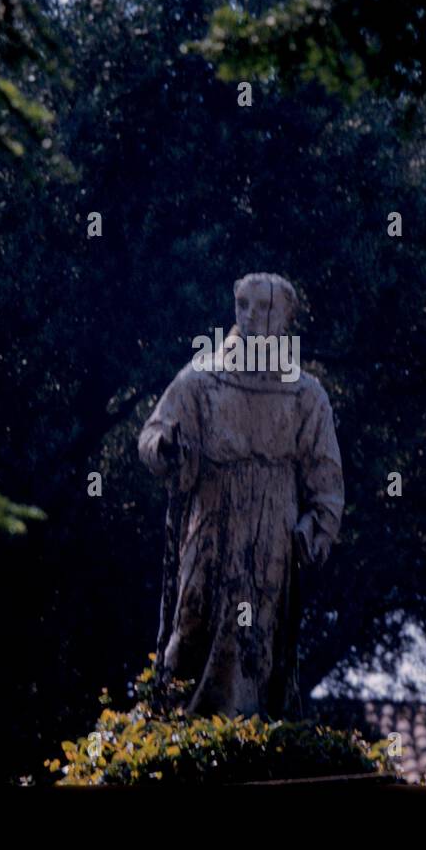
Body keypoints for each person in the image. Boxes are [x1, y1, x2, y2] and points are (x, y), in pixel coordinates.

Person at [138, 272, 343, 720]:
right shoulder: (201, 379)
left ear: (286, 319)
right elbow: (153, 432)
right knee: (191, 624)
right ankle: (174, 729)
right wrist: (166, 448)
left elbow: (325, 479)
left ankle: (247, 733)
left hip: (270, 540)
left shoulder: (306, 395)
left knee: (255, 640)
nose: (251, 316)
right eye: (243, 305)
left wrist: (313, 532)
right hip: (210, 526)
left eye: (264, 307)